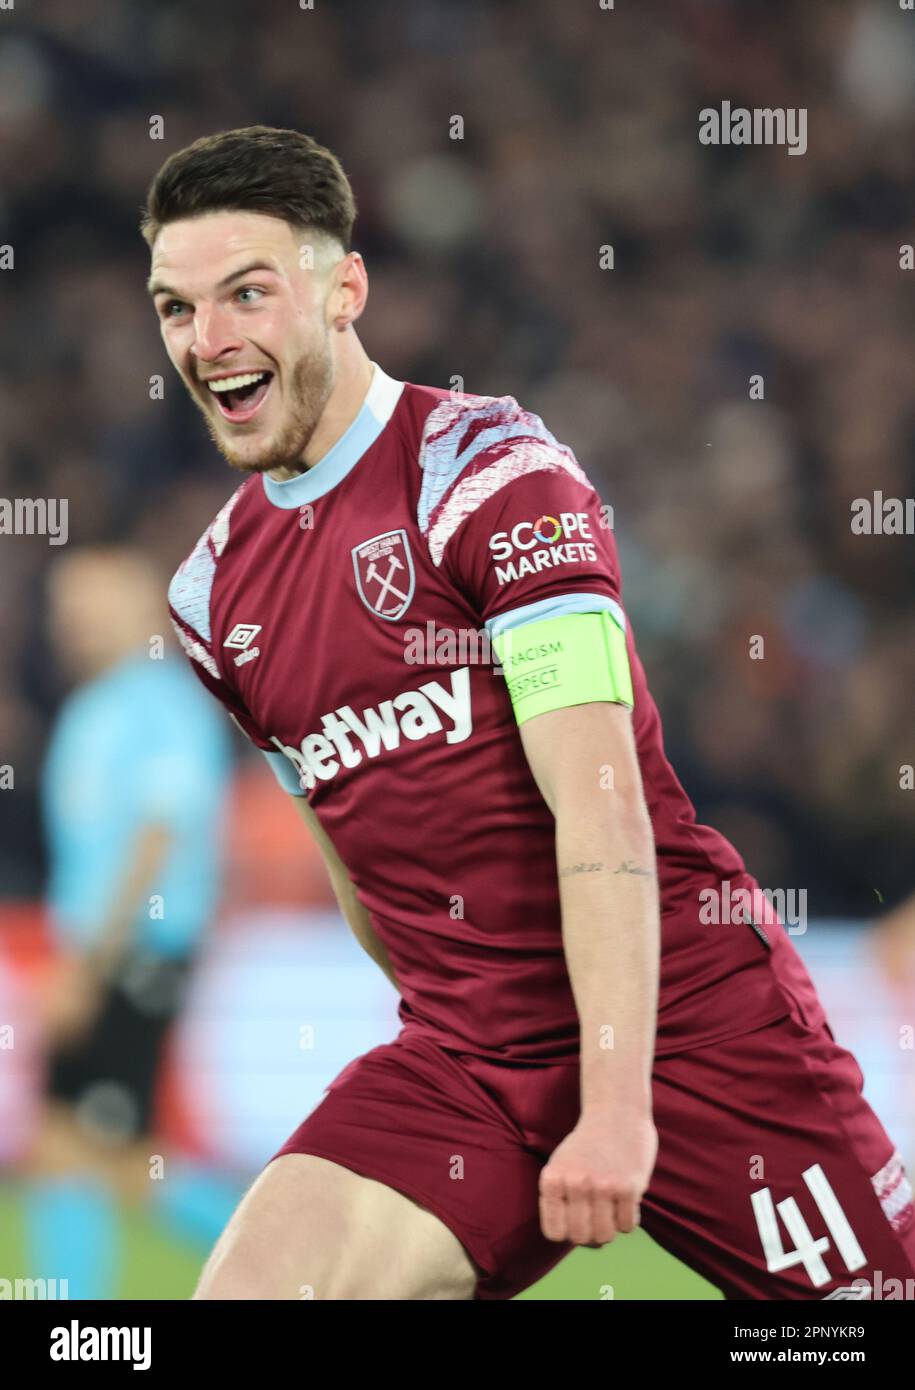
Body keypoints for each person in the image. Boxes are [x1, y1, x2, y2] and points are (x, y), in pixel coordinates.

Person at [143, 125, 915, 1300]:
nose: (210, 341)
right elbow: (360, 868)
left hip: (687, 1023)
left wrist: (612, 1106)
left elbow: (599, 806)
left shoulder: (489, 475)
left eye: (248, 293)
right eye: (176, 308)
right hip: (469, 1060)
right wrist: (460, 1015)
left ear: (343, 287)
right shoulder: (212, 601)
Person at [22, 546, 236, 1298]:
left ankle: (300, 1258)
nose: (70, 620)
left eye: (89, 603)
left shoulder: (161, 704)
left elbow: (154, 839)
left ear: (140, 607)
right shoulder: (95, 705)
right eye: (64, 606)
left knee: (115, 1159)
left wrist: (87, 964)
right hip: (96, 949)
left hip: (136, 953)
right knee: (60, 1145)